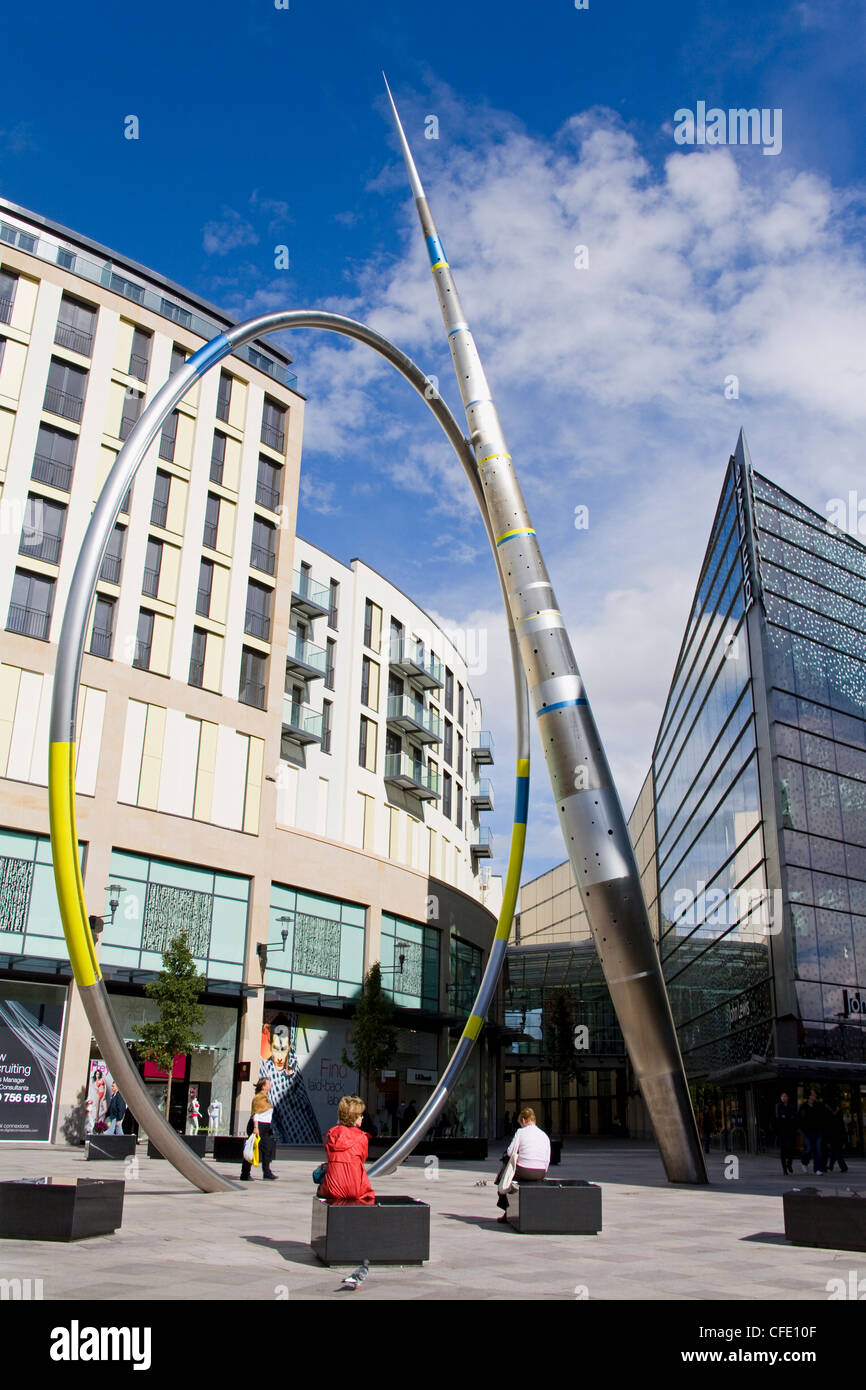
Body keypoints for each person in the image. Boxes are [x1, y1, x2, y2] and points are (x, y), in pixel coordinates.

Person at [497, 1106, 550, 1221]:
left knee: (504, 1177)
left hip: (524, 1171)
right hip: (540, 1173)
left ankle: (507, 1212)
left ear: (524, 1121)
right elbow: (547, 1158)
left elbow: (510, 1152)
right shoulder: (544, 1135)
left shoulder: (520, 1132)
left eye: (521, 1123)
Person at [319, 1095, 375, 1203]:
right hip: (356, 1190)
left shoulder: (332, 1134)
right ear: (354, 1116)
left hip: (332, 1189)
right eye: (360, 1115)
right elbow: (362, 1160)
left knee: (321, 1172)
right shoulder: (362, 1137)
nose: (362, 1117)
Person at [240, 1078, 277, 1181]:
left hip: (266, 1127)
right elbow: (256, 1113)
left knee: (268, 1148)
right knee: (252, 1149)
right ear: (263, 1086)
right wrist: (256, 1128)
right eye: (268, 1084)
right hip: (257, 1125)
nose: (270, 1085)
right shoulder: (258, 1098)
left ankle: (267, 1172)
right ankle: (245, 1173)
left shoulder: (266, 1098)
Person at [798, 1090, 827, 1175]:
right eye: (813, 1095)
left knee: (818, 1150)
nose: (815, 1096)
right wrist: (802, 1129)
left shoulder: (818, 1106)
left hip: (817, 1131)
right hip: (807, 1132)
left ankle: (817, 1169)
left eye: (815, 1095)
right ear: (809, 1096)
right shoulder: (803, 1106)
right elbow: (800, 1118)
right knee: (809, 1149)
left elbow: (822, 1117)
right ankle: (804, 1162)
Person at [775, 1091, 797, 1175]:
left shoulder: (791, 1106)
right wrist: (786, 1117)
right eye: (782, 1096)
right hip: (782, 1131)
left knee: (791, 1149)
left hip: (790, 1130)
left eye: (785, 1096)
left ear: (788, 1097)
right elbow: (779, 1117)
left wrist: (786, 1117)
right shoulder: (778, 1106)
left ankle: (789, 1164)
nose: (784, 1098)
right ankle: (784, 1169)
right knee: (783, 1150)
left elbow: (793, 1116)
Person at [825, 1103, 849, 1174]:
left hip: (836, 1137)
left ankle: (843, 1167)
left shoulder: (835, 1117)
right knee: (834, 1152)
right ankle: (831, 1166)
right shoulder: (838, 1116)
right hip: (838, 1136)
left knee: (837, 1152)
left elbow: (834, 1128)